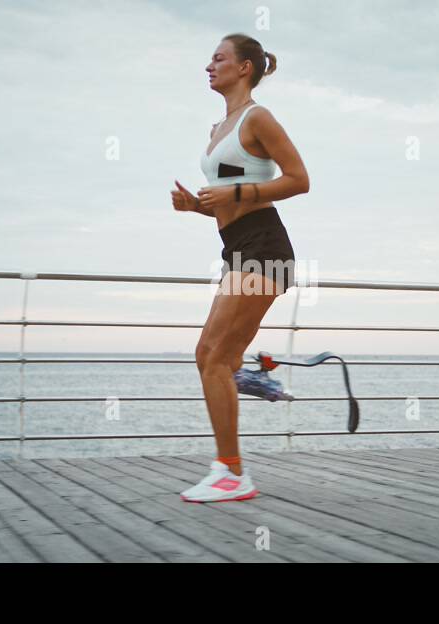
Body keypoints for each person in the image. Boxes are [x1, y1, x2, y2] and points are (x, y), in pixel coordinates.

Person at [170, 34, 309, 502]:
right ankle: (230, 467)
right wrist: (197, 206)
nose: (209, 65)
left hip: (265, 246)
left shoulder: (258, 118)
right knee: (212, 357)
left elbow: (299, 179)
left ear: (245, 67)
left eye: (219, 58)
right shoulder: (219, 127)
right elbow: (229, 200)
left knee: (212, 357)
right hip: (235, 246)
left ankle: (231, 472)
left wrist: (236, 194)